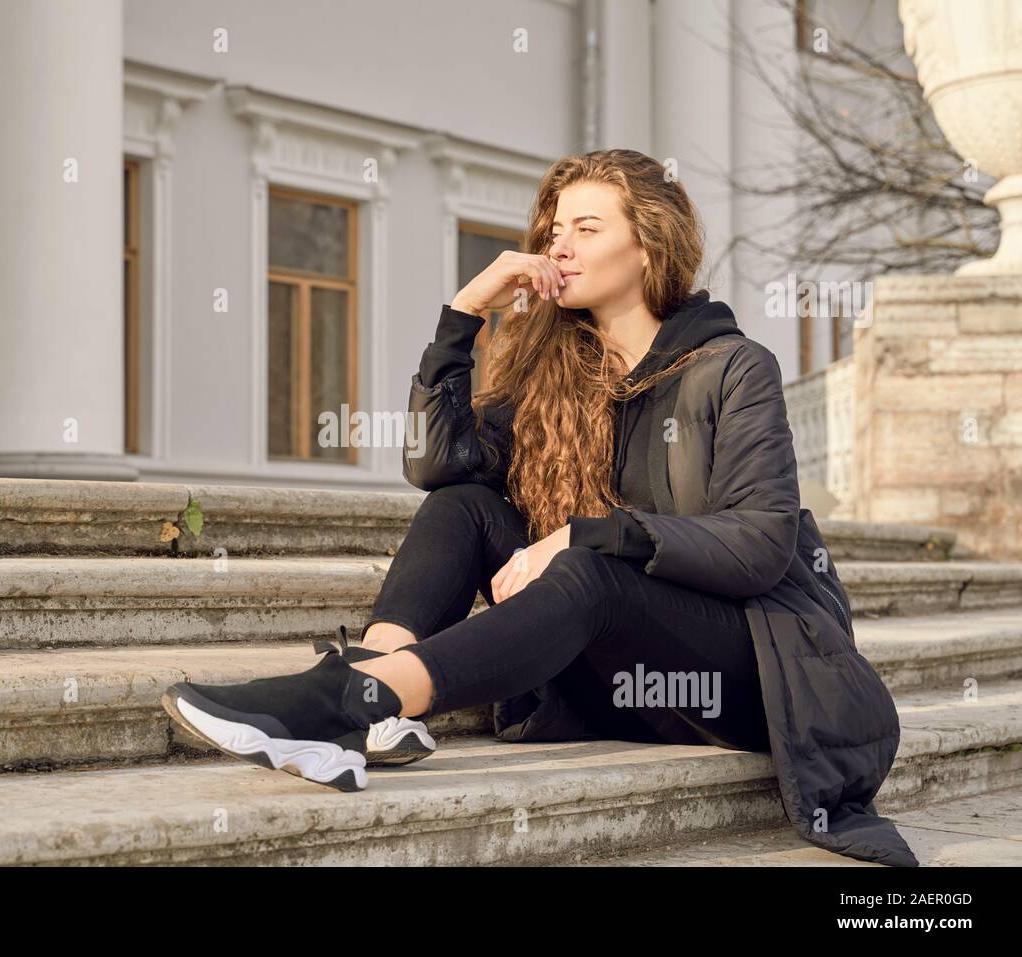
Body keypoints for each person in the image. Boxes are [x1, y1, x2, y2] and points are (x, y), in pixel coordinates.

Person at [162, 149, 917, 867]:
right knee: (465, 503)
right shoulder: (556, 372)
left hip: (742, 675)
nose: (562, 247)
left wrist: (583, 536)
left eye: (588, 229)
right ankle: (377, 689)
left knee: (591, 569)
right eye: (555, 232)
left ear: (650, 246)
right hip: (613, 679)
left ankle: (344, 698)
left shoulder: (733, 368)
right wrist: (464, 314)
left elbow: (759, 544)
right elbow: (435, 464)